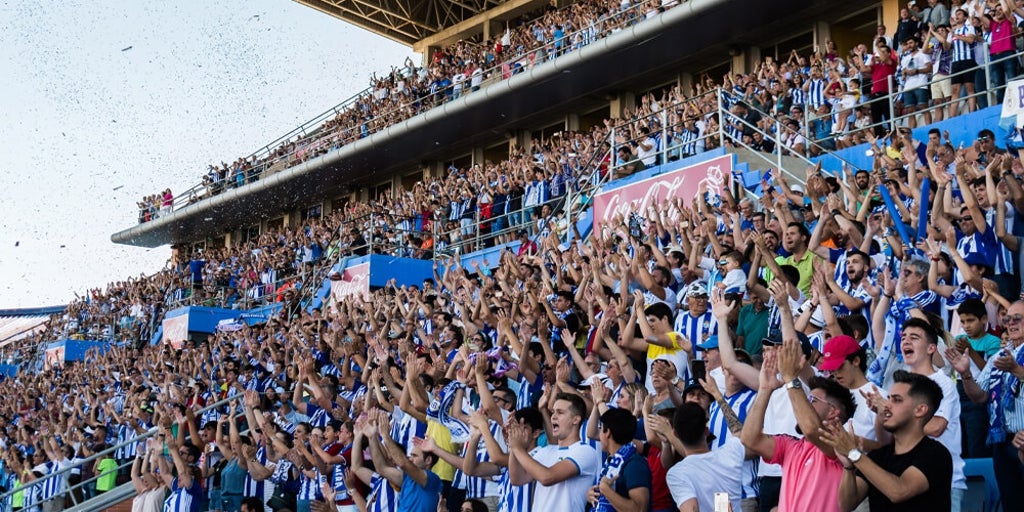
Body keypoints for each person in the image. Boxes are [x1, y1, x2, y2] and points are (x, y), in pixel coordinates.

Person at [741, 338, 857, 512]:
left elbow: (811, 429)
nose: (806, 404)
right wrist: (765, 389)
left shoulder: (841, 446)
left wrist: (790, 378)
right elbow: (749, 439)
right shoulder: (792, 446)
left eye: (812, 400)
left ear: (833, 412)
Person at [821, 370, 952, 512]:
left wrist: (853, 453)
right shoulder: (878, 456)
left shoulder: (936, 454)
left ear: (920, 410)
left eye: (897, 400)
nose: (886, 405)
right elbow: (847, 504)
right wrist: (848, 466)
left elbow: (899, 491)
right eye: (889, 398)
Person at [947, 300, 1024, 512]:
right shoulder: (1001, 355)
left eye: (1018, 319)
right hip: (1003, 441)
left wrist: (1016, 370)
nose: (1011, 323)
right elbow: (980, 396)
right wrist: (965, 374)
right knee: (1011, 504)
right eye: (1007, 319)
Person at [507, 393, 601, 512]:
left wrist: (517, 448)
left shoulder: (585, 451)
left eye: (560, 413)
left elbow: (547, 478)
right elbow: (517, 479)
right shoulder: (546, 451)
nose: (553, 417)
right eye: (553, 412)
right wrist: (513, 442)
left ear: (576, 419)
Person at [665, 402, 744, 512]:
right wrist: (719, 397)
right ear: (707, 431)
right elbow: (740, 434)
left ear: (675, 434)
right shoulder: (731, 453)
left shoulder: (677, 473)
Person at [587, 408, 651, 512]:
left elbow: (640, 509)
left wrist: (606, 490)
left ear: (608, 432)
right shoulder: (611, 462)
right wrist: (593, 496)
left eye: (600, 429)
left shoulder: (634, 464)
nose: (599, 435)